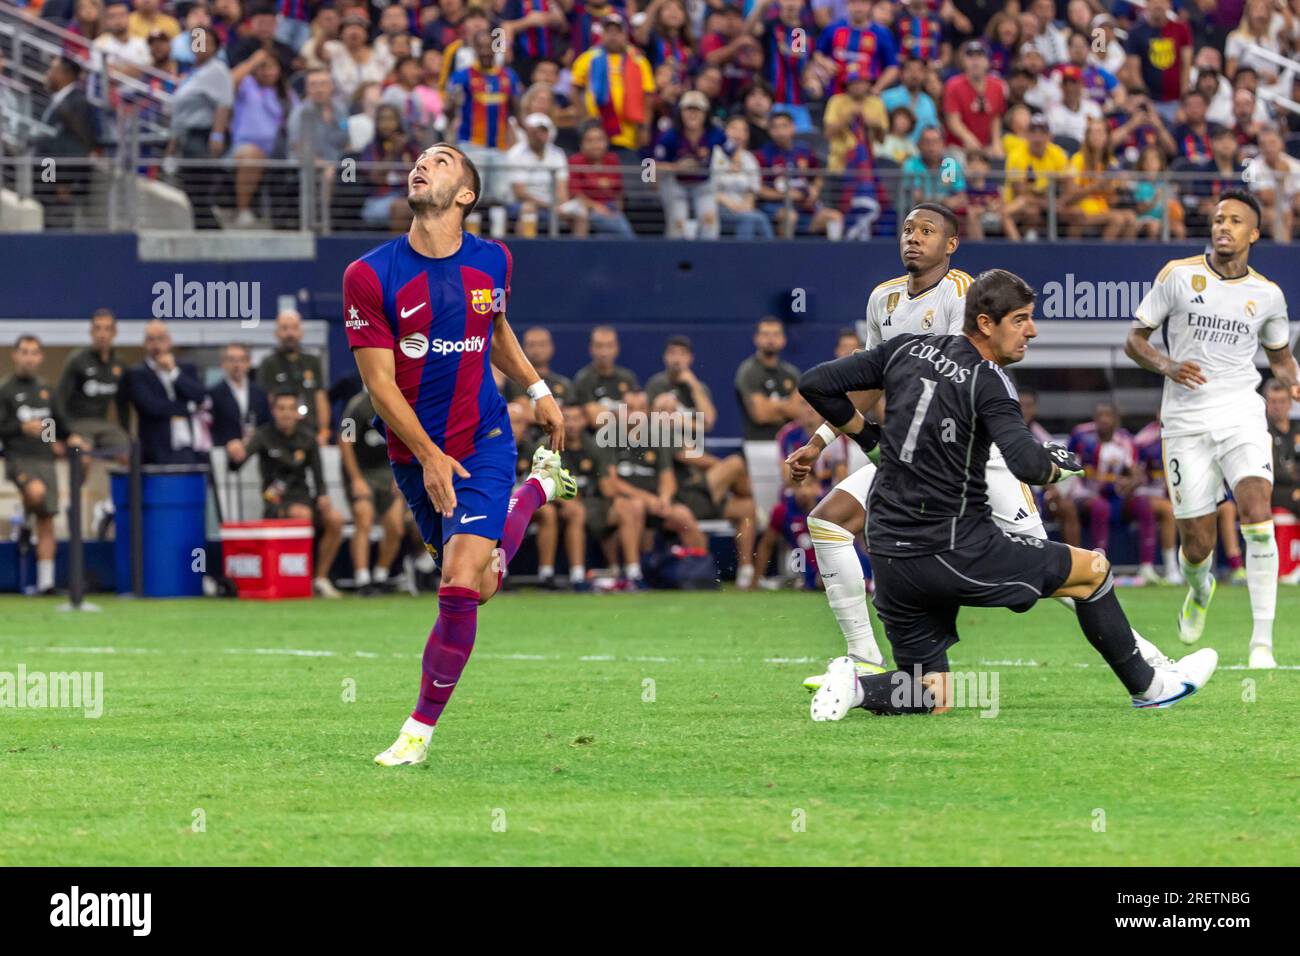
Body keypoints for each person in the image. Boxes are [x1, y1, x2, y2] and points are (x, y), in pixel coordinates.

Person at [798, 268, 1217, 719]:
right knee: (1093, 570)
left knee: (932, 694)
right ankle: (1151, 685)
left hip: (890, 554)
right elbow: (1027, 465)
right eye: (1020, 320)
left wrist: (868, 439)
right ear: (984, 323)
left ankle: (855, 686)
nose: (1032, 330)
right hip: (953, 546)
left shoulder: (905, 348)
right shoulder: (989, 379)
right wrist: (1062, 463)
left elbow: (815, 383)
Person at [342, 141, 576, 765]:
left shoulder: (494, 260)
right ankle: (539, 491)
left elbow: (493, 329)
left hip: (484, 438)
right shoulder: (369, 275)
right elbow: (379, 385)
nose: (422, 164)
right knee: (481, 584)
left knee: (458, 579)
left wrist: (539, 388)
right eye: (418, 159)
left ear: (466, 193)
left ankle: (416, 734)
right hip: (414, 455)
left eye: (441, 160)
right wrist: (427, 455)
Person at [1125, 190, 1300, 669]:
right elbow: (1134, 341)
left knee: (1257, 515)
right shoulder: (1178, 276)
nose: (1224, 226)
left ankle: (1261, 642)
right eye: (1219, 218)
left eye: (1235, 220)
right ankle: (1200, 588)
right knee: (1197, 545)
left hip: (1242, 411)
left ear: (1253, 233)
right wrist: (1168, 364)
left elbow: (1280, 358)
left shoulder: (1267, 295)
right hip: (1184, 421)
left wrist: (1294, 381)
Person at [226, 390, 345, 599]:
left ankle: (320, 578)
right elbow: (237, 463)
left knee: (335, 519)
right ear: (273, 411)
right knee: (302, 515)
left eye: (291, 409)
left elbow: (318, 476)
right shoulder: (263, 435)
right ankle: (299, 578)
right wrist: (235, 452)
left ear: (297, 412)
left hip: (303, 496)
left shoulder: (307, 437)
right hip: (275, 500)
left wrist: (324, 496)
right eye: (281, 409)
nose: (286, 414)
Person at [0, 336, 87, 595]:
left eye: (34, 353)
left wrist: (63, 439)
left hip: (44, 458)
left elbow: (54, 424)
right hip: (19, 457)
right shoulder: (6, 390)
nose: (28, 357)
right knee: (35, 493)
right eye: (24, 352)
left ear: (40, 358)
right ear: (15, 355)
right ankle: (24, 520)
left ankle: (45, 583)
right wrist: (21, 427)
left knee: (47, 519)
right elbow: (3, 428)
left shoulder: (46, 390)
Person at [1067, 402, 1162, 584]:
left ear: (1117, 420)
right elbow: (1067, 463)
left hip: (1115, 497)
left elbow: (1135, 473)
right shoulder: (1081, 436)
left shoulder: (1125, 440)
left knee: (1143, 504)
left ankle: (1147, 567)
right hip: (1085, 495)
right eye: (1100, 416)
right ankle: (1098, 566)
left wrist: (1130, 482)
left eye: (1108, 416)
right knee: (1100, 507)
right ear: (1094, 418)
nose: (1104, 420)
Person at [340, 387, 406, 594]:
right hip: (363, 472)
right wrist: (356, 479)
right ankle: (362, 579)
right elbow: (345, 441)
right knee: (364, 518)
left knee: (395, 526)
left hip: (389, 472)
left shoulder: (398, 401)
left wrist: (401, 474)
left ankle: (380, 576)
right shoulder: (356, 405)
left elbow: (407, 438)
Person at [123, 320, 207, 465]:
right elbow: (151, 407)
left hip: (189, 446)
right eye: (151, 339)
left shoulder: (186, 368)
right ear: (144, 343)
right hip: (156, 449)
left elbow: (199, 395)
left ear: (169, 341)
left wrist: (173, 372)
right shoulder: (137, 373)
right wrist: (188, 408)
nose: (156, 345)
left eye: (160, 338)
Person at [257, 309, 330, 444]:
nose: (290, 333)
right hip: (279, 437)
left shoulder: (313, 361)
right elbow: (268, 400)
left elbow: (320, 398)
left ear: (301, 332)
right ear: (277, 333)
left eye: (294, 328)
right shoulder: (268, 364)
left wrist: (324, 432)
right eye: (284, 328)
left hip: (311, 434)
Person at [734, 317, 801, 442]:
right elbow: (760, 414)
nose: (771, 339)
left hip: (790, 444)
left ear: (783, 340)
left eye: (776, 334)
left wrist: (771, 405)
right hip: (758, 443)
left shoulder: (792, 373)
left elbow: (798, 412)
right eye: (765, 334)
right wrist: (786, 406)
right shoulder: (748, 371)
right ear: (756, 338)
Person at [573, 325, 640, 428]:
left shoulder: (628, 378)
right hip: (596, 439)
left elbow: (637, 415)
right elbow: (596, 419)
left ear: (616, 348)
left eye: (609, 346)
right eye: (599, 346)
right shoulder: (583, 379)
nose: (604, 352)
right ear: (591, 349)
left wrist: (607, 412)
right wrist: (623, 413)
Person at [207, 342, 268, 446]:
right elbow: (210, 428)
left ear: (248, 363)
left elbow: (266, 423)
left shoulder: (260, 392)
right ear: (223, 363)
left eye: (241, 360)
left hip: (256, 450)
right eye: (231, 360)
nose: (236, 364)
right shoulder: (213, 393)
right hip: (224, 452)